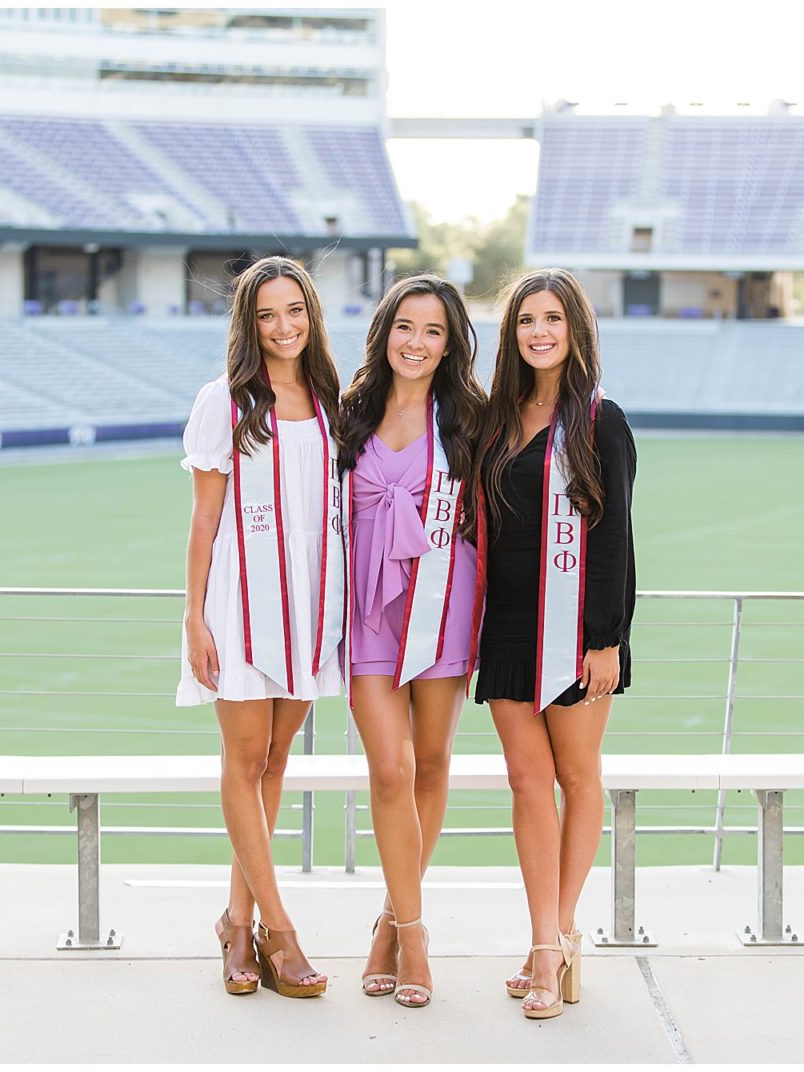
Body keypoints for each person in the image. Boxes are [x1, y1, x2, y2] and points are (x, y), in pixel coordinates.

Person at [471, 268, 637, 1020]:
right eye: (525, 320)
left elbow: (617, 540)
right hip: (508, 627)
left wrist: (607, 639)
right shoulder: (493, 420)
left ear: (575, 330)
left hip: (578, 633)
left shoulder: (602, 420)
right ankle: (546, 939)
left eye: (552, 319)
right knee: (526, 783)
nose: (539, 332)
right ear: (511, 335)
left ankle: (558, 935)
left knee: (576, 775)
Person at [177, 256, 345, 999]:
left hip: (310, 606)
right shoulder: (225, 400)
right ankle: (278, 931)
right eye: (267, 314)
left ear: (312, 315)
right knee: (245, 762)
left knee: (276, 760)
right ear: (249, 323)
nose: (283, 327)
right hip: (241, 606)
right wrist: (193, 617)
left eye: (295, 311)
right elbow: (205, 518)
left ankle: (234, 922)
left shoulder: (332, 398)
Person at [339, 275, 487, 1010]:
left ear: (451, 342)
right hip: (370, 610)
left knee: (430, 763)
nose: (417, 343)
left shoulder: (471, 419)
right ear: (385, 331)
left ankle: (388, 925)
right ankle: (415, 932)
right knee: (389, 772)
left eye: (433, 331)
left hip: (443, 607)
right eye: (405, 327)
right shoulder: (351, 414)